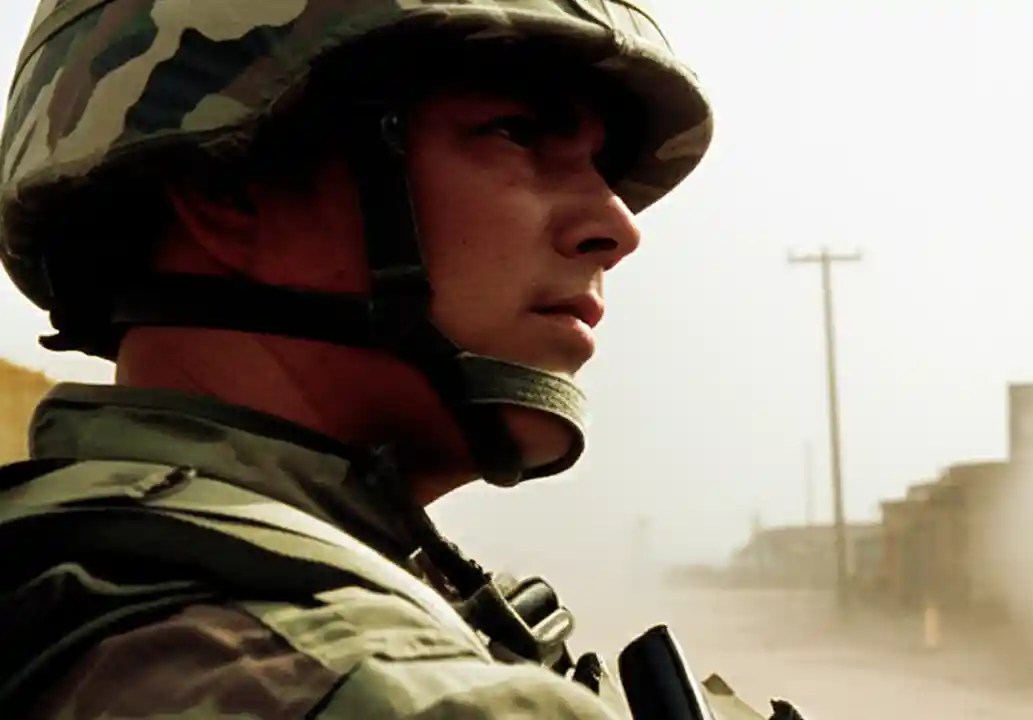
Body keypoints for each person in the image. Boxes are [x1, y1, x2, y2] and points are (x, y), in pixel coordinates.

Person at [0, 1, 770, 717]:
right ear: (224, 190)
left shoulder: (70, 584)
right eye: (517, 132)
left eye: (601, 163)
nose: (616, 225)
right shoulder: (335, 681)